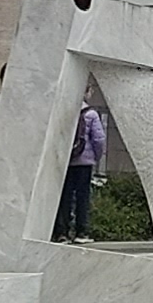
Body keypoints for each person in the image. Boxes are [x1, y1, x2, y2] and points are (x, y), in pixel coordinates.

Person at [54, 96, 109, 240]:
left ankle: (62, 232)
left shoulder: (63, 111)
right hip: (84, 163)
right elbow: (98, 139)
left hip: (66, 162)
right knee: (82, 197)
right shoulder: (91, 114)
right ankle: (81, 232)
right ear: (88, 92)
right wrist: (95, 157)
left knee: (65, 197)